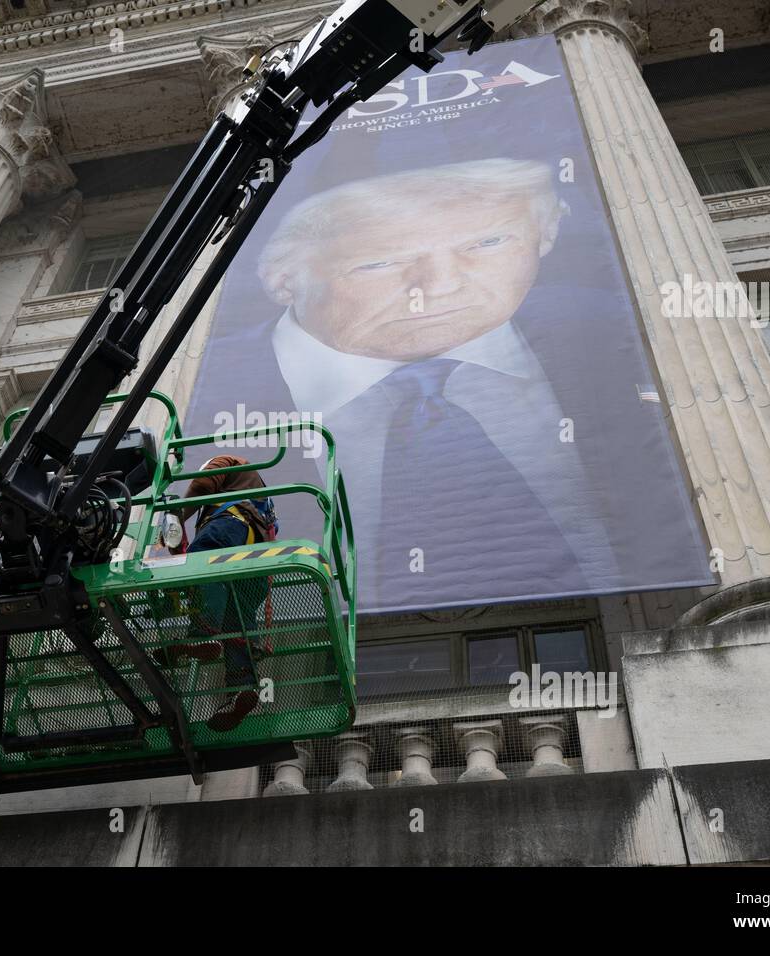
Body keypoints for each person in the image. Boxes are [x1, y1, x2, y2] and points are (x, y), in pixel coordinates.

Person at [191, 157, 694, 611]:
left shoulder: (613, 331)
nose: (441, 286)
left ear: (544, 236)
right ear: (282, 278)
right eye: (379, 261)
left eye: (487, 242)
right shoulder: (199, 396)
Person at [156, 454, 278, 732]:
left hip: (228, 528)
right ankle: (241, 686)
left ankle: (201, 635)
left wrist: (178, 515)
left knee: (203, 565)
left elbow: (201, 486)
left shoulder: (227, 461)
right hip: (256, 558)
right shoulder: (263, 499)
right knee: (237, 615)